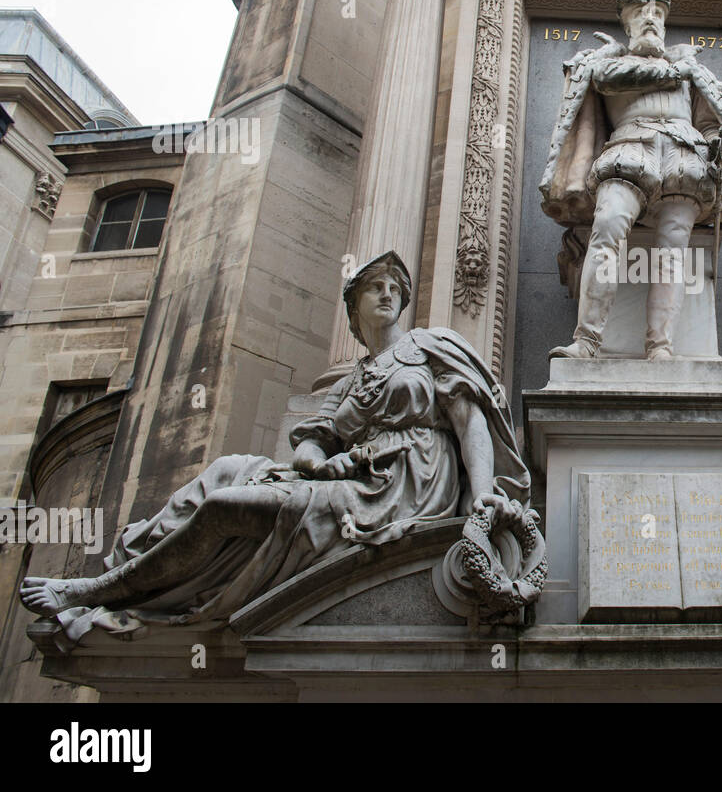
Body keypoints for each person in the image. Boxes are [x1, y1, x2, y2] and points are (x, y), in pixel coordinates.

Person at [22, 251, 532, 638]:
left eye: (394, 287)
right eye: (374, 287)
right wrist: (320, 465)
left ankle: (95, 590)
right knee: (228, 469)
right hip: (356, 477)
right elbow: (311, 445)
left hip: (411, 485)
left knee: (226, 506)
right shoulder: (348, 383)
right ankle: (128, 573)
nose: (387, 294)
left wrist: (482, 502)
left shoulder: (429, 346)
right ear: (354, 309)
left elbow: (470, 423)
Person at [539, 0, 722, 361]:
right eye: (641, 15)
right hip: (629, 150)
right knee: (608, 226)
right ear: (627, 26)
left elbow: (708, 123)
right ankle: (588, 342)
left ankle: (661, 347)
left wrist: (717, 144)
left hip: (684, 159)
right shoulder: (608, 66)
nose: (650, 20)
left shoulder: (694, 73)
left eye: (657, 15)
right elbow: (608, 80)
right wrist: (676, 71)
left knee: (674, 253)